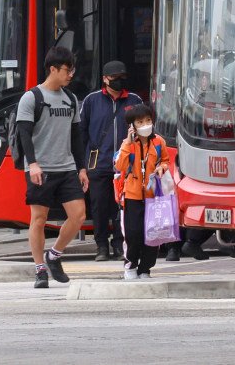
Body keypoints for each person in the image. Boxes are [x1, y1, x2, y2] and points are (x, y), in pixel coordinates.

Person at [15, 46, 89, 290]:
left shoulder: (70, 99)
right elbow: (24, 133)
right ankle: (39, 270)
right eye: (67, 70)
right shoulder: (32, 97)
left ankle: (54, 255)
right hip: (41, 168)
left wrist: (81, 168)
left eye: (72, 70)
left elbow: (76, 136)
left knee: (78, 215)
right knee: (39, 218)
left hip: (66, 166)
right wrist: (33, 164)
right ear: (53, 69)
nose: (70, 75)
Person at [80, 60, 143, 261]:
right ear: (105, 79)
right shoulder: (91, 101)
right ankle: (101, 246)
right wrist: (81, 166)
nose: (119, 81)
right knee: (99, 206)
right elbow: (81, 134)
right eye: (115, 78)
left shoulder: (134, 100)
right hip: (99, 163)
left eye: (122, 78)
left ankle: (119, 244)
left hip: (127, 165)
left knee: (122, 207)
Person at [114, 102, 171, 280]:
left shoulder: (158, 141)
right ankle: (130, 264)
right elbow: (119, 166)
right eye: (140, 122)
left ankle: (145, 268)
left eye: (148, 120)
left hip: (153, 195)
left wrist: (162, 167)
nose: (145, 124)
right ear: (132, 126)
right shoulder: (127, 145)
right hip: (132, 195)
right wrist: (127, 144)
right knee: (133, 233)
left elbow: (165, 160)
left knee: (152, 234)